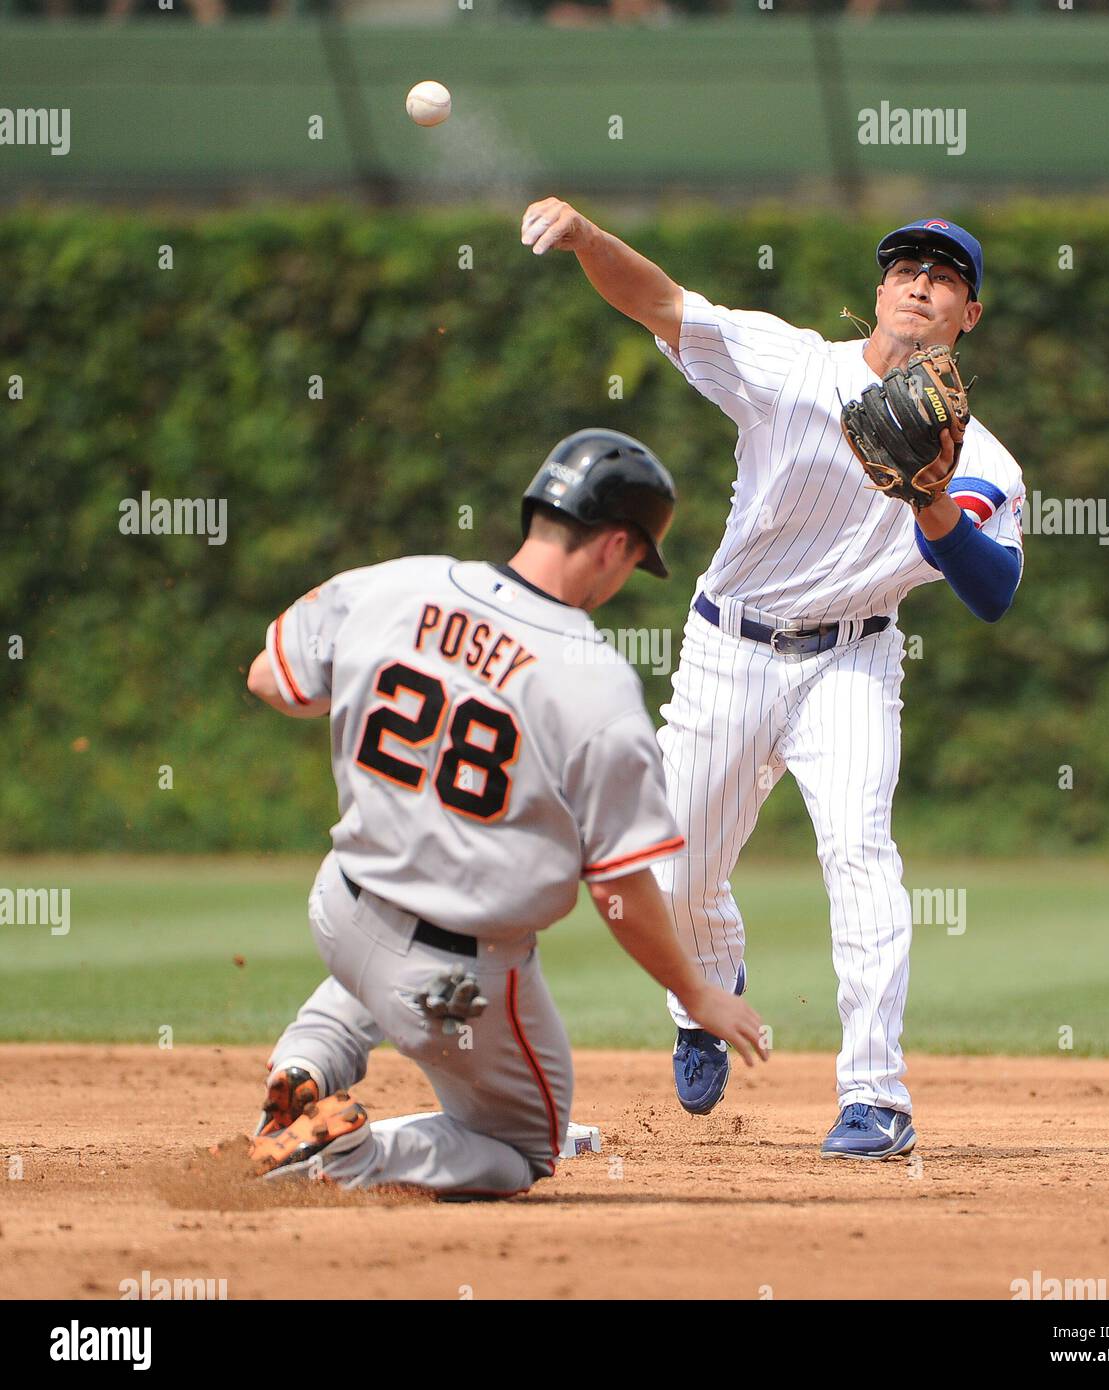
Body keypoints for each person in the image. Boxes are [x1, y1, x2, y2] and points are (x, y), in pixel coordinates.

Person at [520, 202, 1025, 1160]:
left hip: (852, 658)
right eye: (904, 267)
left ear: (969, 315)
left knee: (861, 856)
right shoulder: (789, 364)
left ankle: (875, 1096)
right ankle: (704, 995)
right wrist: (588, 239)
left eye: (945, 275)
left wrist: (928, 498)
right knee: (680, 869)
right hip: (728, 649)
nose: (920, 282)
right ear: (877, 292)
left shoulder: (983, 460)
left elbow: (991, 588)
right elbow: (660, 302)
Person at [243, 429, 767, 1196]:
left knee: (376, 957)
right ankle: (343, 1158)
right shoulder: (595, 687)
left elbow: (271, 679)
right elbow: (618, 887)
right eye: (636, 558)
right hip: (451, 975)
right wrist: (696, 993)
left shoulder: (398, 585)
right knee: (523, 1147)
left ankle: (309, 1061)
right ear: (615, 545)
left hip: (340, 908)